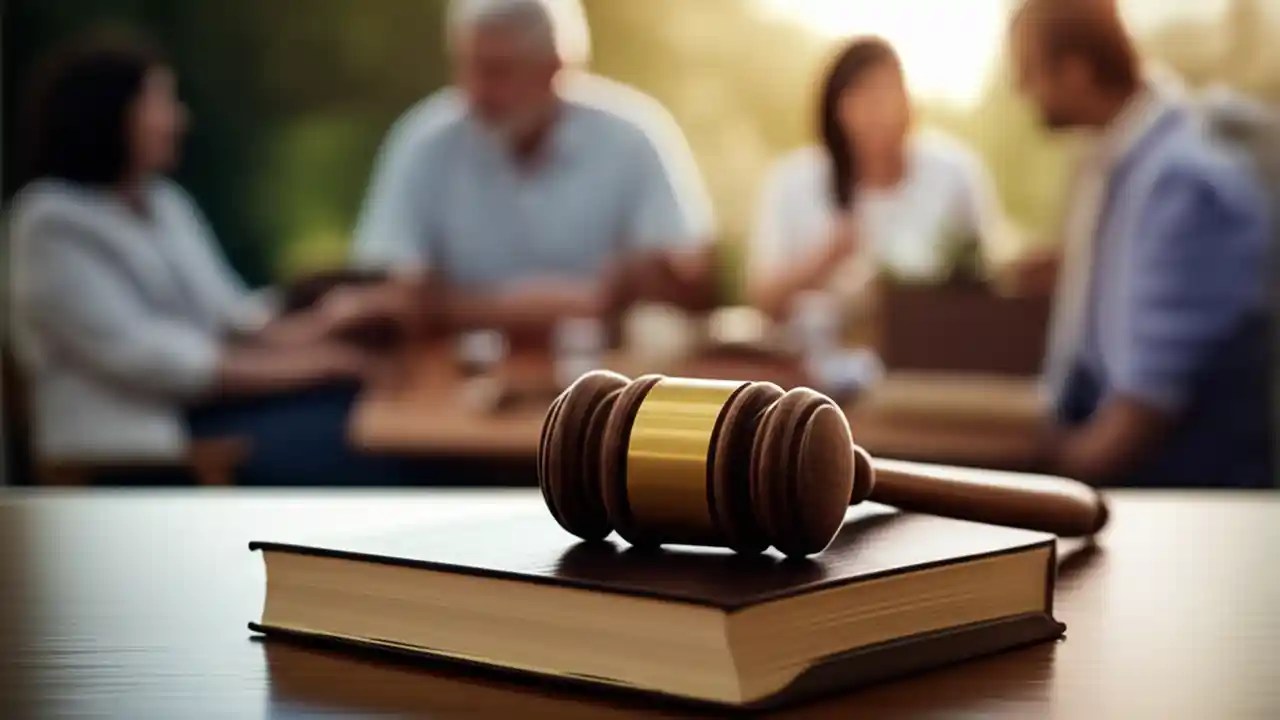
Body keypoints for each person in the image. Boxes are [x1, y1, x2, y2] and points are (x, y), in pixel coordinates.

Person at [9, 33, 401, 485]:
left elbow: (228, 317)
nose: (178, 120)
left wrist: (327, 321)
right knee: (359, 445)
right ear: (110, 113)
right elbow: (152, 360)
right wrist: (319, 363)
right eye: (161, 104)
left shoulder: (164, 202)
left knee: (358, 409)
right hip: (142, 447)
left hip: (209, 414)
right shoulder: (48, 222)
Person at [1011, 0, 1273, 487]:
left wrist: (1046, 474)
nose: (1019, 89)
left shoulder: (1179, 182)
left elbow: (1144, 412)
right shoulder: (1122, 164)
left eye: (1027, 71)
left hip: (1183, 488)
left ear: (1075, 72)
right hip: (1141, 455)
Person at [352, 0, 717, 337]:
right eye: (467, 66)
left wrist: (640, 280)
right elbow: (389, 288)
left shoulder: (634, 136)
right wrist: (534, 308)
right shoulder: (424, 142)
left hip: (607, 379)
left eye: (497, 71)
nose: (476, 90)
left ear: (556, 67)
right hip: (447, 376)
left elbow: (688, 274)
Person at [749, 37, 1005, 320]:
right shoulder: (792, 181)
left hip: (925, 347)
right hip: (813, 354)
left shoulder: (955, 173)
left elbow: (988, 281)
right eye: (864, 97)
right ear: (836, 109)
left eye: (888, 93)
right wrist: (823, 260)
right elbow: (763, 299)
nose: (878, 112)